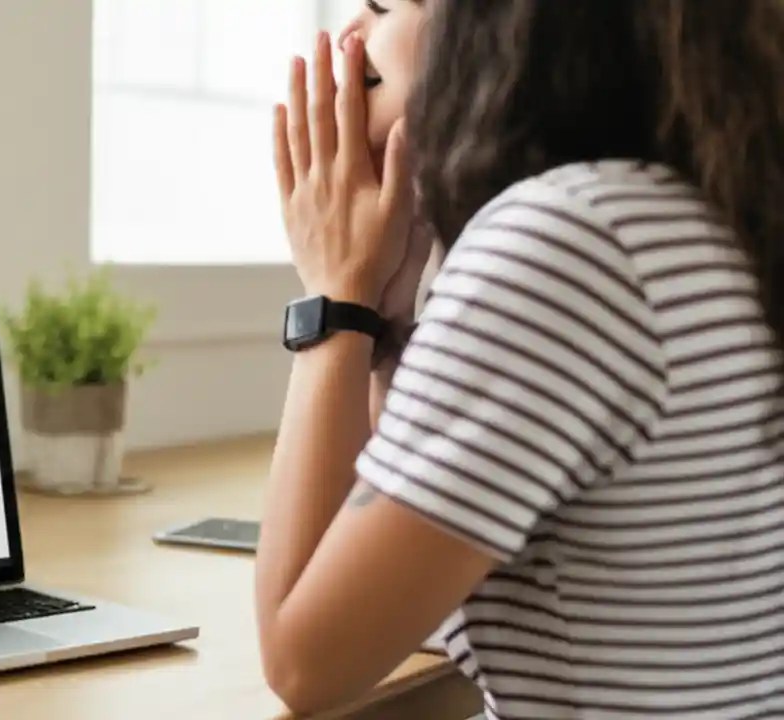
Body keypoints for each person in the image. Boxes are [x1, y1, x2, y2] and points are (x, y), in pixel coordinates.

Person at [254, 1, 784, 717]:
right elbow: (412, 590)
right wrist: (384, 318)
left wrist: (334, 292)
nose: (348, 33)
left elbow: (306, 663)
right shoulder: (694, 217)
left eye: (383, 4)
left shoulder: (567, 243)